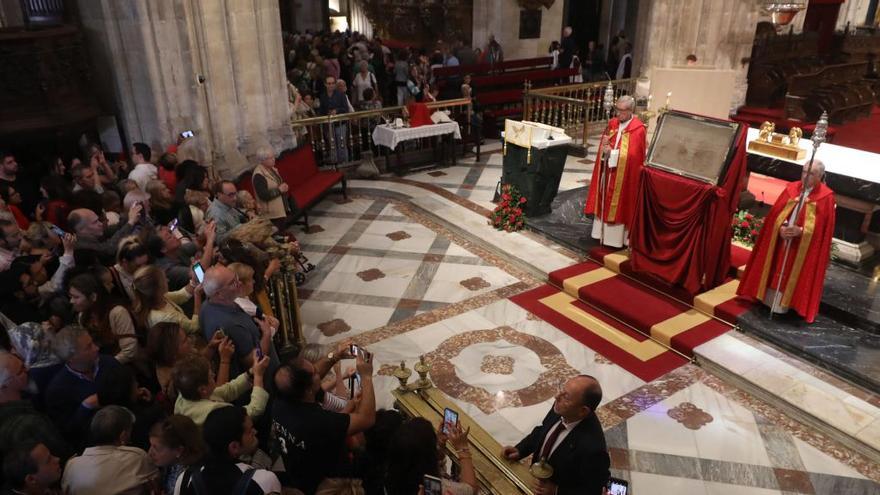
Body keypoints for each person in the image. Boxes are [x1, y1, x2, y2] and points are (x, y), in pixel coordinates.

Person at [737, 160, 836, 323]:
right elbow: (776, 213)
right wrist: (781, 227)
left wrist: (802, 231)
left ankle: (787, 305)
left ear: (820, 176)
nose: (805, 176)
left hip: (801, 248)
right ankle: (767, 300)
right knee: (775, 264)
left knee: (793, 272)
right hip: (782, 241)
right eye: (804, 172)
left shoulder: (826, 197)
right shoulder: (791, 189)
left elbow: (822, 229)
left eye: (810, 174)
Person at [270, 346, 376, 494]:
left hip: (299, 472)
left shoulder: (280, 401)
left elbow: (309, 376)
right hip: (328, 485)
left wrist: (335, 356)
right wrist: (366, 376)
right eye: (314, 373)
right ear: (308, 390)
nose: (318, 373)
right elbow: (367, 419)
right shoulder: (316, 422)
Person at [501, 375, 610, 495]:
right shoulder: (561, 407)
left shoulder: (594, 448)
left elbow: (593, 490)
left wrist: (557, 491)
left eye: (566, 397)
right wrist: (520, 450)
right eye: (562, 390)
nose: (557, 397)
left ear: (583, 411)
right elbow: (543, 430)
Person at [583, 95, 646, 248]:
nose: (618, 114)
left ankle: (616, 240)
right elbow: (606, 146)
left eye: (622, 111)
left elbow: (634, 156)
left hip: (624, 176)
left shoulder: (638, 129)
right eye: (617, 109)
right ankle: (600, 234)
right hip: (609, 171)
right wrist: (604, 147)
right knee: (604, 197)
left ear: (631, 110)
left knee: (621, 202)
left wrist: (613, 152)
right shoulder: (612, 123)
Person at [44, 325, 121, 448]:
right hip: (96, 447)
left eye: (93, 343)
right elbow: (68, 432)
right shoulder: (58, 390)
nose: (97, 348)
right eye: (88, 347)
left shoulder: (109, 363)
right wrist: (85, 407)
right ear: (72, 358)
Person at [175, 407, 281, 495]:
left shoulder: (184, 480)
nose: (255, 432)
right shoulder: (264, 481)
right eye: (249, 431)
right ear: (234, 447)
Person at [200, 265, 280, 379]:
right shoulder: (231, 325)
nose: (239, 283)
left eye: (236, 278)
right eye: (232, 283)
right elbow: (253, 360)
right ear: (218, 294)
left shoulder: (208, 304)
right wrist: (267, 334)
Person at [61, 405, 158, 495]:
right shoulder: (137, 457)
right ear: (123, 436)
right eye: (130, 430)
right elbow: (156, 484)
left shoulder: (71, 465)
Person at [0, 352, 71, 462]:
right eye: (21, 370)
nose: (28, 368)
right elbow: (64, 456)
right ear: (5, 385)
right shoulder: (30, 423)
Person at [172, 353, 269, 426]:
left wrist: (252, 372)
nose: (214, 375)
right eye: (210, 376)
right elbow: (254, 411)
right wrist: (258, 376)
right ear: (202, 389)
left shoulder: (187, 393)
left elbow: (229, 390)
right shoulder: (212, 413)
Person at [68, 273, 139, 363]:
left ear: (93, 297)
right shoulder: (82, 316)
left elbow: (130, 351)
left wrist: (104, 366)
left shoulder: (117, 313)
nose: (71, 301)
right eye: (71, 297)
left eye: (76, 297)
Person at [132, 265, 201, 335]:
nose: (168, 280)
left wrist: (194, 281)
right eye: (164, 279)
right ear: (158, 289)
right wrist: (197, 295)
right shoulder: (167, 317)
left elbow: (181, 295)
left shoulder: (157, 298)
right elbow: (194, 327)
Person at [148, 415, 205, 495]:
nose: (150, 453)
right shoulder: (171, 464)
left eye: (157, 449)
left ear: (179, 450)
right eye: (151, 446)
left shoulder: (192, 481)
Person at [251, 146, 292, 231]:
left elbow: (277, 183)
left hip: (279, 208)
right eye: (271, 158)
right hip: (272, 213)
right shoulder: (259, 175)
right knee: (278, 234)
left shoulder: (271, 169)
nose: (274, 159)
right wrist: (280, 190)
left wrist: (283, 187)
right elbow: (263, 195)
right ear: (262, 160)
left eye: (273, 157)